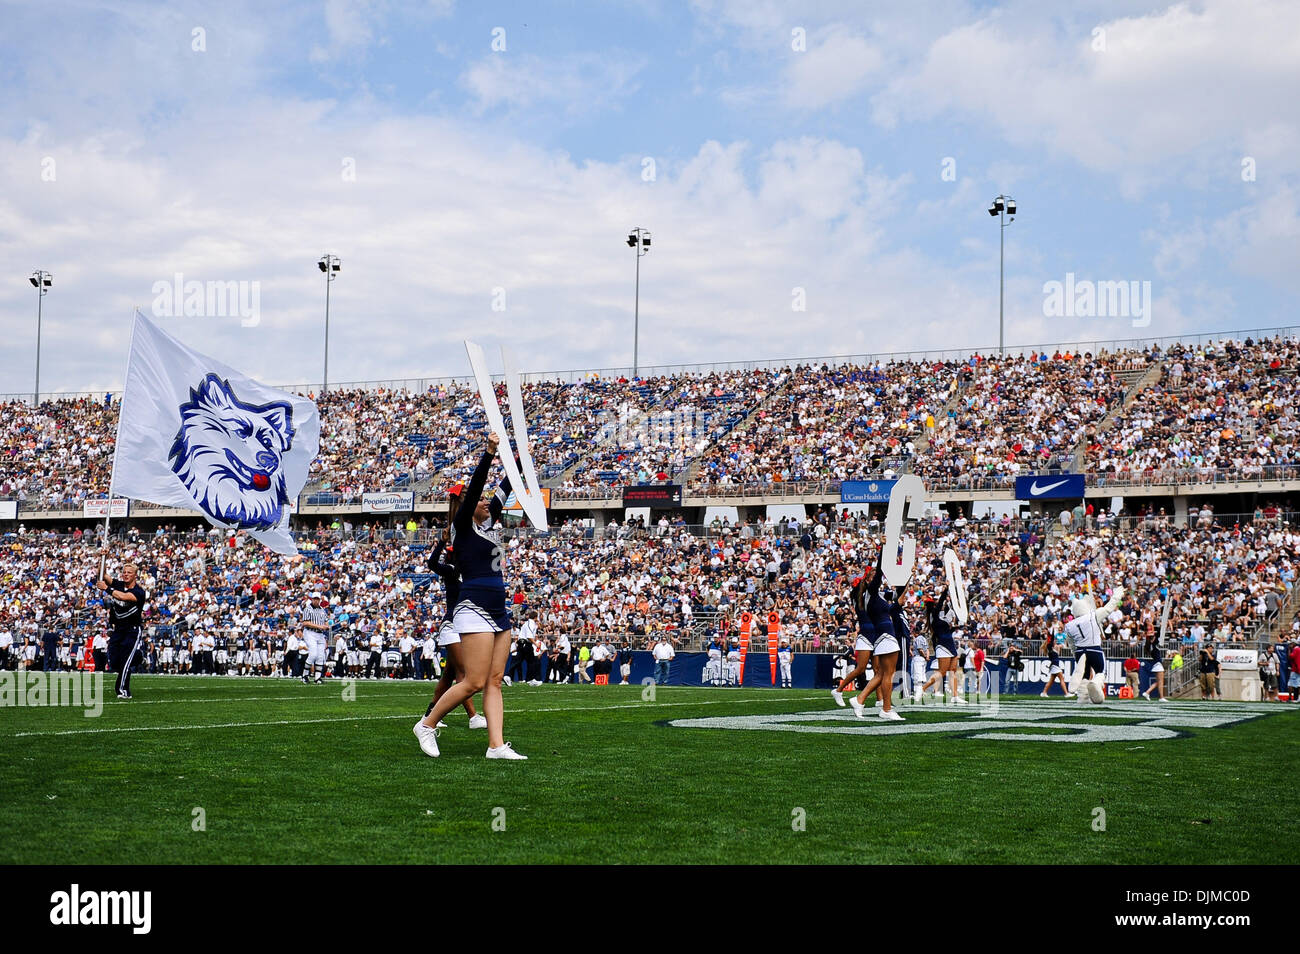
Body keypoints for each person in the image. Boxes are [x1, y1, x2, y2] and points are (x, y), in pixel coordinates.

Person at [415, 433, 526, 759]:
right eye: (478, 499)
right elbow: (477, 487)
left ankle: (496, 746)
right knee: (474, 680)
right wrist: (490, 452)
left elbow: (506, 487)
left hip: (497, 606)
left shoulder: (490, 519)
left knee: (494, 679)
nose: (484, 501)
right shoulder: (462, 525)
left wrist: (522, 458)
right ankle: (428, 724)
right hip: (472, 605)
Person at [416, 520, 485, 736]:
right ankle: (473, 717)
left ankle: (429, 716)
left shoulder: (470, 572)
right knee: (463, 673)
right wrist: (441, 542)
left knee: (448, 677)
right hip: (452, 626)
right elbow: (432, 564)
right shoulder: (451, 571)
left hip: (465, 627)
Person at [849, 558, 904, 721]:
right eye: (872, 576)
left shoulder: (875, 595)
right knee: (888, 674)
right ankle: (884, 708)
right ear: (868, 580)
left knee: (882, 674)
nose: (877, 578)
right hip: (885, 635)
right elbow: (880, 572)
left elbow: (896, 600)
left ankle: (861, 700)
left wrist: (907, 578)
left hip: (883, 635)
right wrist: (884, 551)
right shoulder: (871, 594)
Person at [1065, 585, 1125, 704]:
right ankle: (1096, 683)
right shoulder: (1093, 616)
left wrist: (1075, 655)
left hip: (1079, 652)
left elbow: (1071, 644)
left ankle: (1082, 698)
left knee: (1084, 676)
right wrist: (1118, 594)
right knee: (1101, 672)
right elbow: (1109, 608)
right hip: (1094, 649)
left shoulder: (1069, 625)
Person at [96, 561, 147, 700]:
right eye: (124, 572)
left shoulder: (139, 592)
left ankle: (123, 690)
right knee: (113, 661)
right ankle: (138, 657)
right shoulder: (118, 584)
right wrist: (103, 558)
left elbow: (123, 597)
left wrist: (107, 589)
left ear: (135, 575)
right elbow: (103, 574)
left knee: (125, 662)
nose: (125, 575)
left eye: (129, 573)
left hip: (131, 630)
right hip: (118, 629)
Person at [831, 574, 874, 707]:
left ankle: (880, 701)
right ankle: (838, 690)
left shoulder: (863, 598)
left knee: (878, 670)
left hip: (873, 634)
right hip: (867, 634)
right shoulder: (859, 598)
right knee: (860, 668)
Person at [922, 586, 965, 704]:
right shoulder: (934, 616)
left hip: (949, 643)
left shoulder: (936, 618)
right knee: (942, 672)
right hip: (943, 645)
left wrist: (955, 627)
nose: (938, 605)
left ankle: (955, 696)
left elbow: (946, 631)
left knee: (952, 671)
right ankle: (922, 689)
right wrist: (946, 589)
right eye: (935, 604)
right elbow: (941, 601)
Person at [301, 594, 331, 684]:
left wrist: (326, 626)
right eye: (315, 599)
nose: (316, 601)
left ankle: (317, 678)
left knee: (320, 656)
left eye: (318, 599)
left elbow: (326, 621)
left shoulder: (322, 610)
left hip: (320, 634)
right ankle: (304, 675)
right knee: (313, 654)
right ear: (312, 599)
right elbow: (305, 623)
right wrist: (320, 626)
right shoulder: (307, 609)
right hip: (310, 632)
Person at [1040, 633, 1073, 698]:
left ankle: (1044, 692)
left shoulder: (1053, 649)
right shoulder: (1051, 649)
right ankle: (1066, 694)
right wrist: (1050, 636)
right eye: (1054, 640)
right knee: (1062, 679)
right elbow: (1050, 642)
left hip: (1054, 666)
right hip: (1055, 666)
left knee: (1051, 681)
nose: (1055, 641)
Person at [1141, 634, 1167, 701]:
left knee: (1159, 682)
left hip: (1156, 664)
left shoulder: (1150, 646)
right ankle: (1161, 697)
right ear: (1152, 640)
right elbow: (1157, 636)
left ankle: (1147, 692)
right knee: (1161, 681)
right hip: (1158, 664)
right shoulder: (1153, 645)